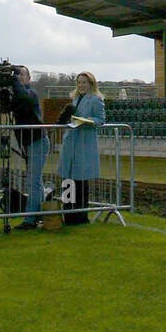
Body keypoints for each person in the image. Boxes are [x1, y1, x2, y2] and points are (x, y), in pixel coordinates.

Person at [56, 71, 105, 226]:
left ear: (91, 84)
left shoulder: (96, 100)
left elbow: (100, 120)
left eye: (84, 82)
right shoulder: (74, 99)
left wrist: (86, 120)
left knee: (80, 180)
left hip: (84, 143)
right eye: (79, 82)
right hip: (70, 141)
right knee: (67, 179)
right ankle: (67, 214)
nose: (81, 85)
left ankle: (80, 216)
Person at [11, 65, 46, 230]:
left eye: (22, 74)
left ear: (29, 78)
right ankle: (38, 215)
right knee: (35, 181)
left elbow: (24, 97)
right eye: (17, 74)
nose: (19, 77)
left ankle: (30, 219)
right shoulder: (16, 96)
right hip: (28, 142)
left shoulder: (31, 94)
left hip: (37, 141)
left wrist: (13, 81)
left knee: (34, 181)